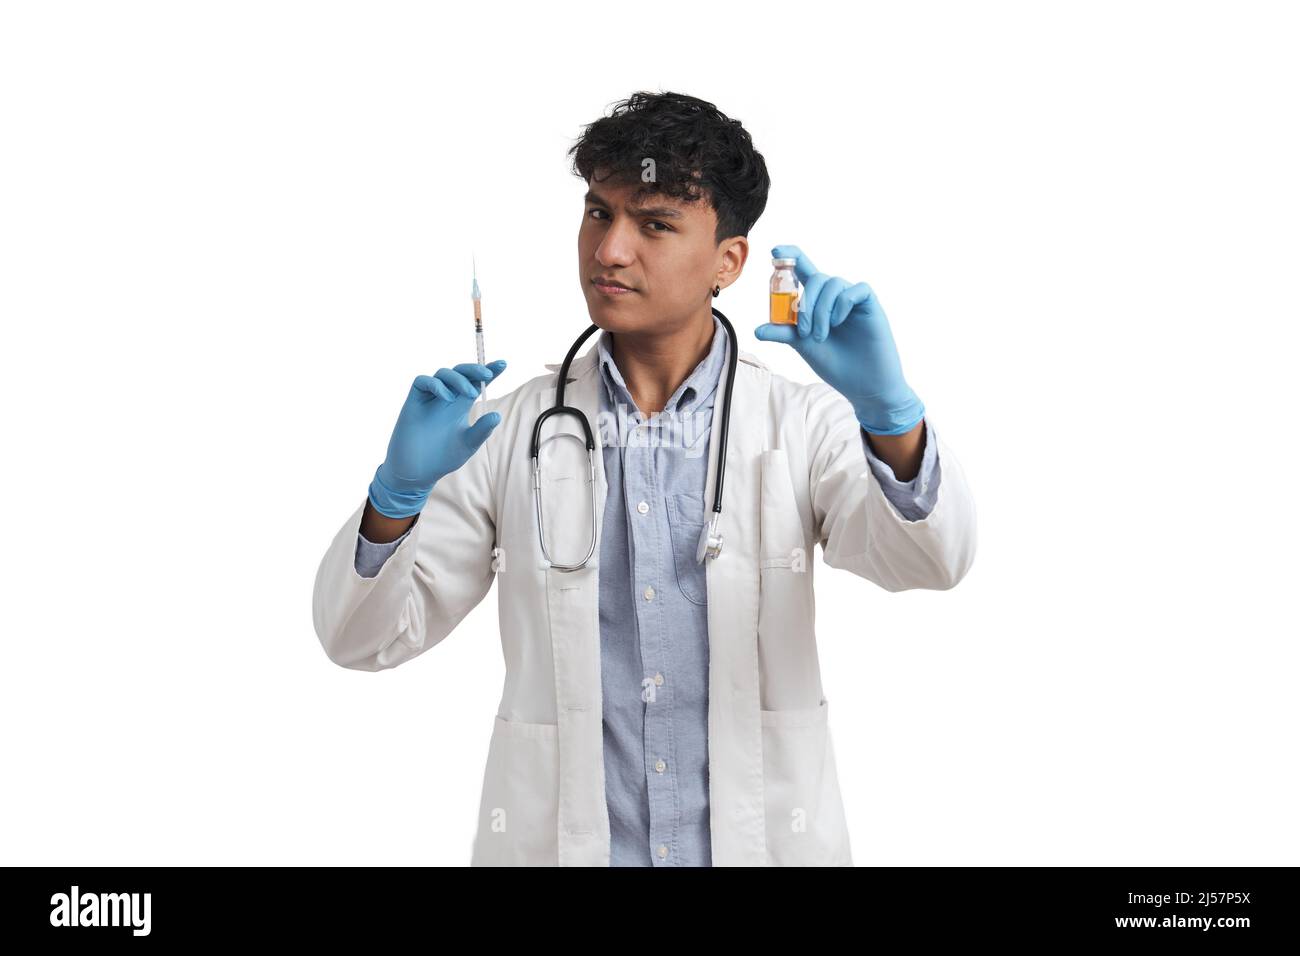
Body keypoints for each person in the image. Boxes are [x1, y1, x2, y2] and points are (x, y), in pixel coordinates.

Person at [312, 90, 977, 866]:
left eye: (654, 223)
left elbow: (933, 562)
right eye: (599, 213)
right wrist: (397, 496)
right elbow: (361, 640)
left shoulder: (801, 425)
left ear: (729, 260)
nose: (609, 250)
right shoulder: (508, 433)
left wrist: (890, 415)